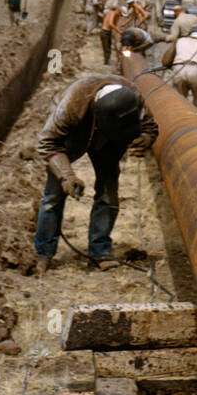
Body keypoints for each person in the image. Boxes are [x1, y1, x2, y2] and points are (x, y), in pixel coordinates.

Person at [34, 76, 158, 274]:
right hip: (74, 135)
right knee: (53, 196)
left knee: (108, 192)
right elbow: (47, 143)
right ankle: (44, 253)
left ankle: (100, 252)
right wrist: (66, 175)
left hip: (112, 142)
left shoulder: (134, 98)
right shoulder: (71, 107)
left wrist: (145, 138)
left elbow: (150, 126)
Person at [162, 26, 197, 111]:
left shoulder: (179, 41)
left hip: (178, 68)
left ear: (189, 34)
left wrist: (170, 66)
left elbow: (166, 60)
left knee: (178, 102)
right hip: (196, 70)